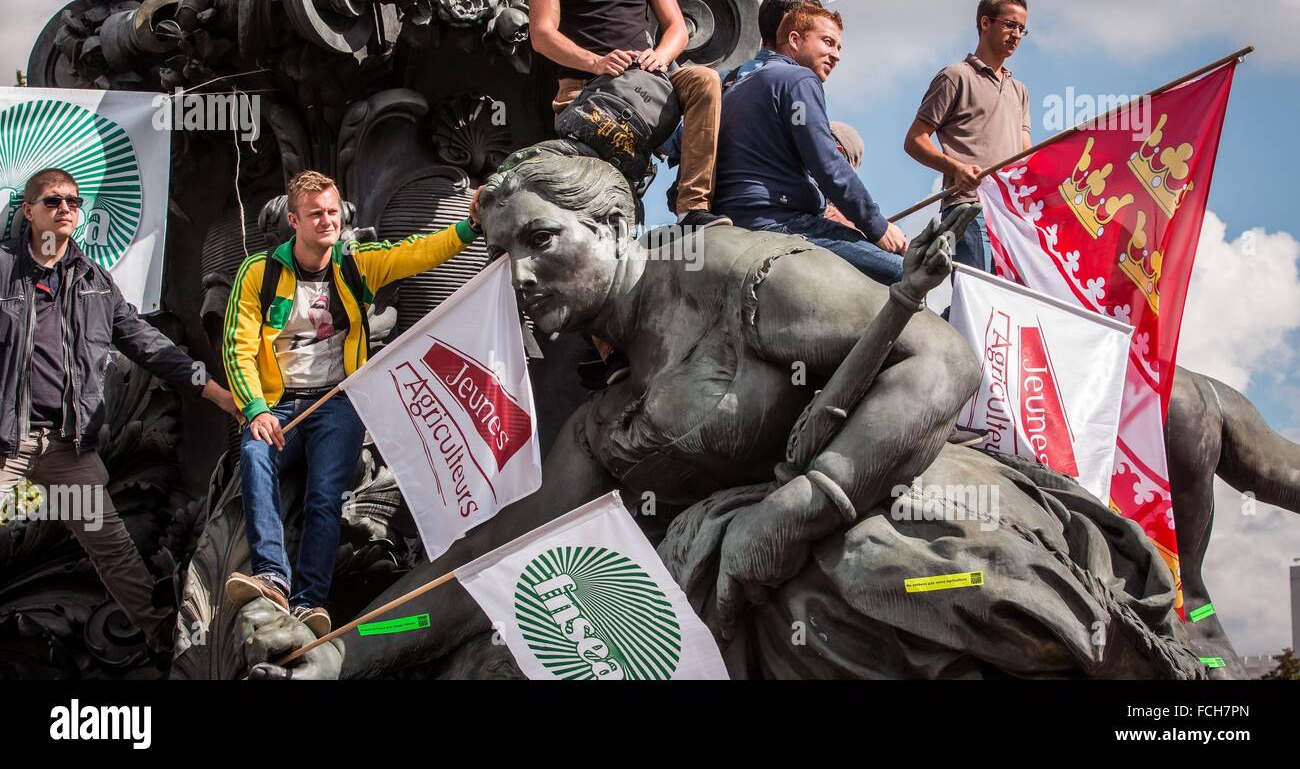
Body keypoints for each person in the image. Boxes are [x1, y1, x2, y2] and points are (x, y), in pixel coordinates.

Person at [324, 144, 1201, 681]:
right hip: (749, 579)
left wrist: (807, 502)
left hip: (897, 495)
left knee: (871, 572)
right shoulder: (607, 416)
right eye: (497, 251)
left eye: (540, 240)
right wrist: (346, 653)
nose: (515, 273)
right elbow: (491, 555)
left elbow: (941, 357)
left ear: (618, 224)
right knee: (504, 662)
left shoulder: (746, 274)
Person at [221, 170, 481, 636]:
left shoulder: (354, 263)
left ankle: (308, 602)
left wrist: (468, 227)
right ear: (295, 221)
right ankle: (272, 577)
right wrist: (255, 408)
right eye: (316, 214)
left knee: (325, 495)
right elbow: (237, 346)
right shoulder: (259, 272)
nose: (327, 221)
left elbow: (415, 253)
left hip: (337, 402)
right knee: (253, 454)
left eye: (332, 211)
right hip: (279, 406)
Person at [0, 168, 239, 656]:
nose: (65, 209)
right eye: (52, 201)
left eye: (72, 201)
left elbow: (151, 346)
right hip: (7, 443)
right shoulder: (3, 269)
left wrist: (215, 392)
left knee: (112, 549)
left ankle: (167, 643)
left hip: (67, 448)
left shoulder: (92, 282)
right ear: (29, 211)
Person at [528, 0, 729, 230]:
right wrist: (597, 62)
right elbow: (541, 34)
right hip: (587, 88)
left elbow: (676, 27)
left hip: (648, 80)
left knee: (705, 79)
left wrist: (660, 54)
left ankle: (691, 208)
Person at [711, 4, 909, 285]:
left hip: (729, 220)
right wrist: (878, 227)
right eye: (827, 42)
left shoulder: (733, 85)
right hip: (780, 222)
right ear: (794, 40)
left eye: (839, 47)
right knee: (905, 274)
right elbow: (827, 164)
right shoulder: (798, 79)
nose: (836, 55)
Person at [903, 0, 1032, 273]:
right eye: (1010, 24)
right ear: (986, 23)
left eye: (1022, 28)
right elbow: (914, 140)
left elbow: (1025, 157)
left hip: (1011, 214)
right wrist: (957, 168)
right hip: (969, 208)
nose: (1017, 34)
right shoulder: (956, 76)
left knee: (1007, 300)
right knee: (977, 293)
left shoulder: (1019, 91)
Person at [661, 0, 820, 210]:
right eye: (816, 32)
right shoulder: (791, 84)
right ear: (791, 31)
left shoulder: (726, 80)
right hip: (771, 211)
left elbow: (675, 142)